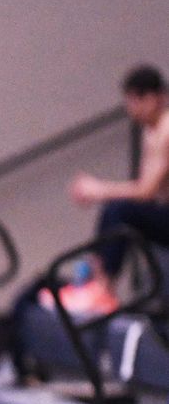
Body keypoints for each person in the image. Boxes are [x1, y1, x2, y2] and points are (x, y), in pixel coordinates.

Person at [69, 65, 169, 300]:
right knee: (116, 211)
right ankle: (96, 274)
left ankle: (104, 286)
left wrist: (99, 190)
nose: (130, 109)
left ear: (151, 99)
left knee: (120, 209)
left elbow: (146, 191)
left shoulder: (167, 130)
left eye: (133, 101)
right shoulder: (151, 131)